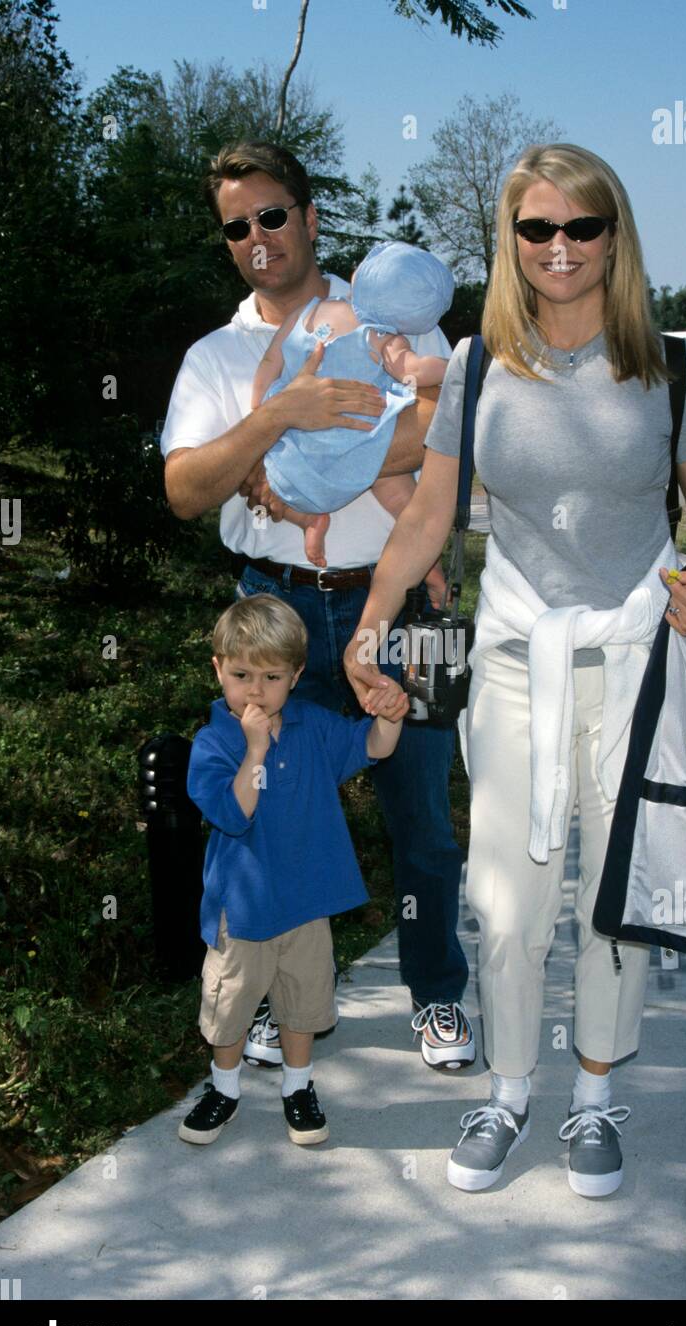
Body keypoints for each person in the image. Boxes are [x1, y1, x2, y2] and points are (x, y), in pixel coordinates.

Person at [343, 143, 686, 1197]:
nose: (558, 247)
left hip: (638, 661)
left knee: (615, 898)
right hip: (517, 660)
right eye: (536, 229)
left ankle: (595, 1099)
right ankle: (509, 1092)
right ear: (511, 241)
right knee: (506, 901)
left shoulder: (672, 369)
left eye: (581, 227)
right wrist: (373, 619)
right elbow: (429, 512)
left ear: (614, 237)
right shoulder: (477, 367)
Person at [162, 142, 475, 1076]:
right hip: (273, 616)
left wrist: (296, 470)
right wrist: (277, 420)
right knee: (275, 813)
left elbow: (446, 421)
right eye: (236, 226)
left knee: (423, 819)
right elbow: (185, 489)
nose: (256, 237)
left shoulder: (388, 315)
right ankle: (277, 1000)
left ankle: (437, 993)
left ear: (308, 217)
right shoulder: (216, 356)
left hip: (401, 601)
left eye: (272, 215)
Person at [178, 594, 407, 1147]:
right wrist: (254, 751)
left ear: (296, 676)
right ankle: (224, 1089)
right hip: (243, 911)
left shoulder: (313, 725)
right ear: (218, 669)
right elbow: (235, 813)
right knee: (230, 1007)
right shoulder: (213, 742)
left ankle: (298, 1087)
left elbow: (372, 746)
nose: (255, 691)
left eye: (272, 677)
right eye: (241, 675)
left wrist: (389, 716)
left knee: (303, 1005)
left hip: (307, 901)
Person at [250, 240, 454, 584]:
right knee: (400, 496)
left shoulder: (307, 312)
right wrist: (456, 366)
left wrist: (260, 412)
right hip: (355, 436)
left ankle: (308, 520)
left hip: (295, 437)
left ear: (358, 275)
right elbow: (415, 370)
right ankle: (425, 558)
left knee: (274, 490)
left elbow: (271, 360)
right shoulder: (381, 337)